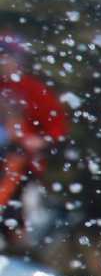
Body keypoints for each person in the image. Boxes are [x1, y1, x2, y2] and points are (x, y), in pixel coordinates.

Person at [0, 32, 71, 255]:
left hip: (19, 163)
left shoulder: (32, 89)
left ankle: (19, 250)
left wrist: (38, 141)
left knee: (14, 209)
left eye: (7, 57)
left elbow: (56, 125)